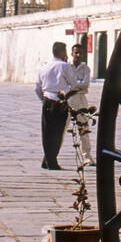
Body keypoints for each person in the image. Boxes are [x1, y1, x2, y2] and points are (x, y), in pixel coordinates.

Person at [35, 41, 77, 170]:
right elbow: (74, 84)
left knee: (47, 132)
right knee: (58, 132)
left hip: (47, 100)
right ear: (62, 52)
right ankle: (51, 162)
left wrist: (44, 100)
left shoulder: (44, 67)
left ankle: (47, 159)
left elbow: (37, 88)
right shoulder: (65, 66)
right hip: (61, 101)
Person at [65, 44, 93, 168]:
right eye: (75, 52)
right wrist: (78, 84)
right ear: (72, 53)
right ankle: (52, 156)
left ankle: (87, 156)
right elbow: (65, 84)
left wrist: (74, 84)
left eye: (80, 53)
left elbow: (85, 84)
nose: (78, 55)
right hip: (68, 98)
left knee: (84, 127)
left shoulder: (86, 68)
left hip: (80, 99)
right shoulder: (66, 67)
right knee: (62, 127)